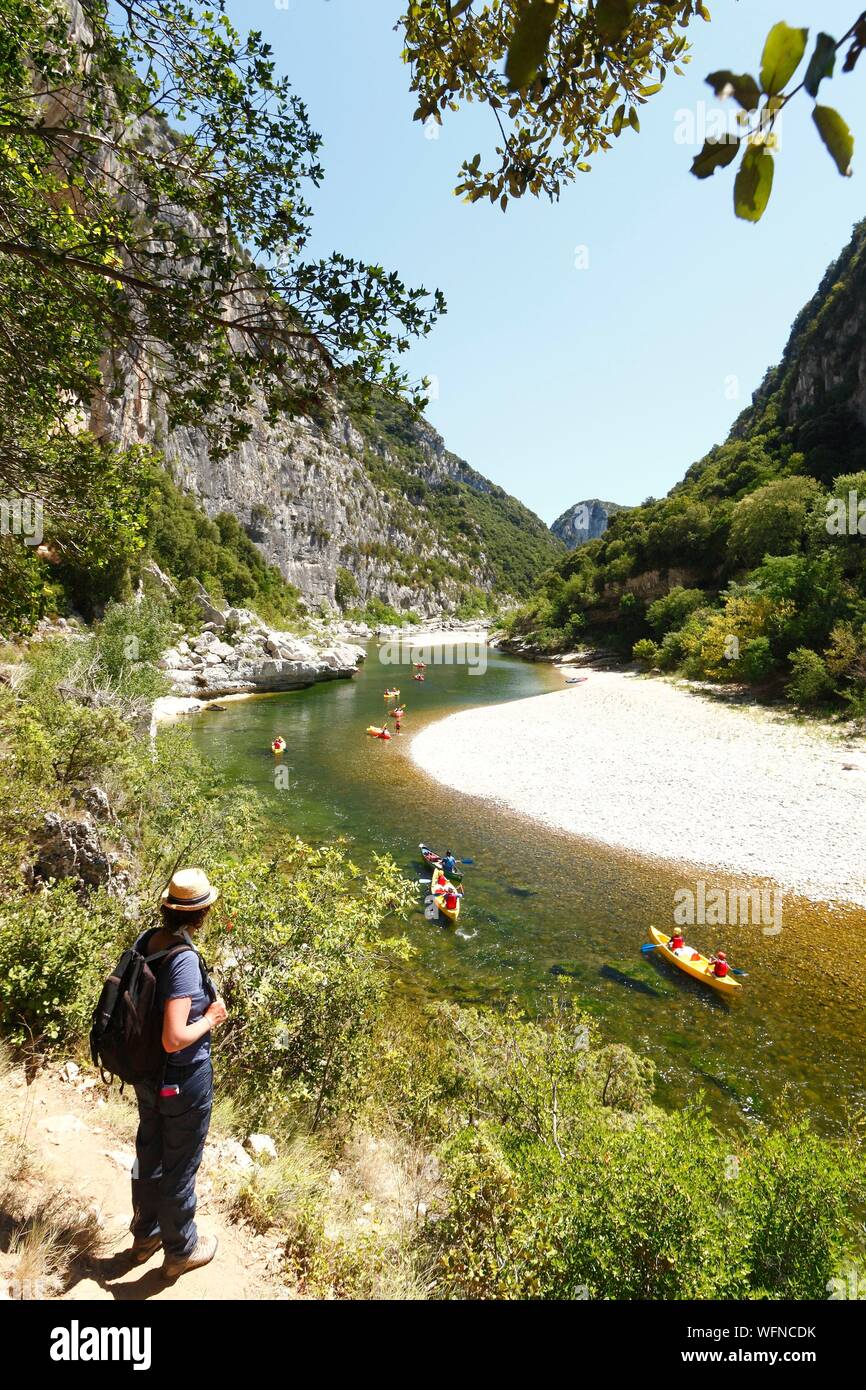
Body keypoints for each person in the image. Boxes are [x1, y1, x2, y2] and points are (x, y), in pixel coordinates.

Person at [127, 868, 227, 1279]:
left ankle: (145, 1236)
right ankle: (181, 1249)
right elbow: (174, 1036)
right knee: (180, 1163)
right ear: (202, 913)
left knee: (149, 1155)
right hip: (180, 1079)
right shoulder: (184, 960)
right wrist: (212, 1019)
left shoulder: (149, 939)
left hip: (147, 1074)